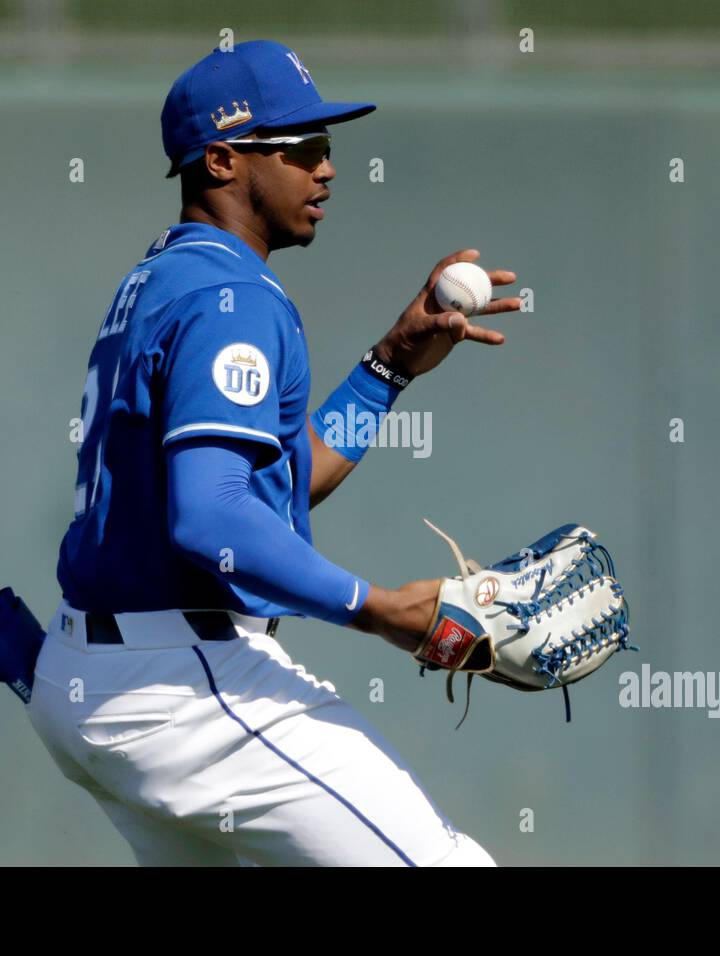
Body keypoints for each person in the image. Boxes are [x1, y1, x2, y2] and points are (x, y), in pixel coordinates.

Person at [26, 39, 521, 866]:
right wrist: (380, 607)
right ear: (221, 160)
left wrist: (388, 367)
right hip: (178, 685)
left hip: (92, 673)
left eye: (326, 147)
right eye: (300, 149)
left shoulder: (161, 281)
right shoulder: (234, 300)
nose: (325, 170)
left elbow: (267, 491)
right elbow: (212, 514)